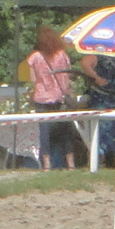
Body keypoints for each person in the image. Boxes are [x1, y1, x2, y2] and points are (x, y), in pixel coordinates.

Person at [28, 26, 77, 169]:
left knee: (44, 132)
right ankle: (71, 163)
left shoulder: (34, 57)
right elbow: (68, 75)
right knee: (66, 131)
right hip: (60, 98)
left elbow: (32, 80)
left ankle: (47, 164)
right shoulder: (62, 55)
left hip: (42, 98)